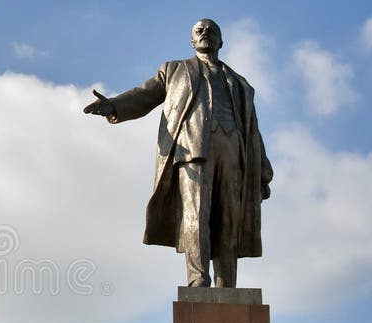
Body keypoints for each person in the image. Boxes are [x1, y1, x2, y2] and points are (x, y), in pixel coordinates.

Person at [84, 19, 273, 288]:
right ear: (192, 41)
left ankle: (226, 284)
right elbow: (144, 95)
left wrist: (263, 170)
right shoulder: (174, 71)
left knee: (229, 218)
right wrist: (114, 105)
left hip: (233, 153)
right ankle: (198, 279)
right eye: (199, 31)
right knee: (196, 213)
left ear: (221, 42)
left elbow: (252, 130)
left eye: (212, 31)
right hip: (193, 150)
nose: (206, 33)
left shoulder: (240, 84)